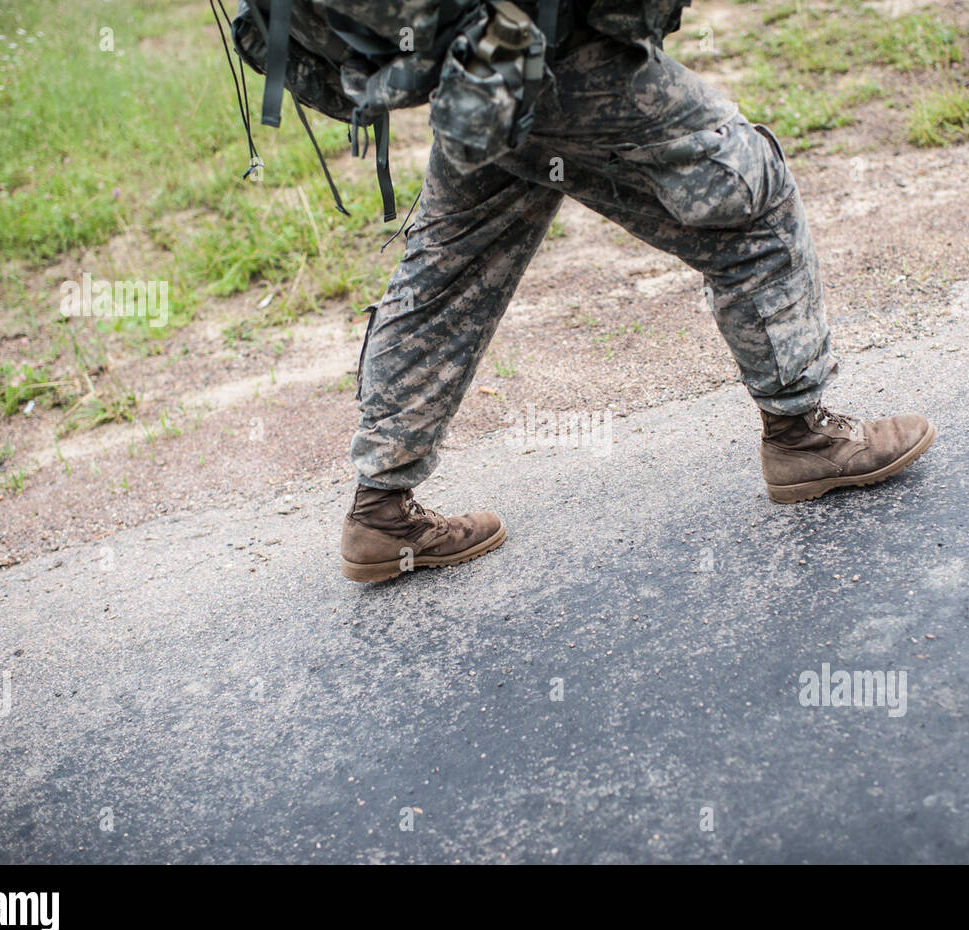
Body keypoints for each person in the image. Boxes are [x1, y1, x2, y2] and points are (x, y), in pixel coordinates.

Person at [340, 0, 936, 583]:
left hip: (480, 60)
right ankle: (801, 436)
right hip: (550, 51)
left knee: (452, 264)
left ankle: (380, 511)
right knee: (750, 195)